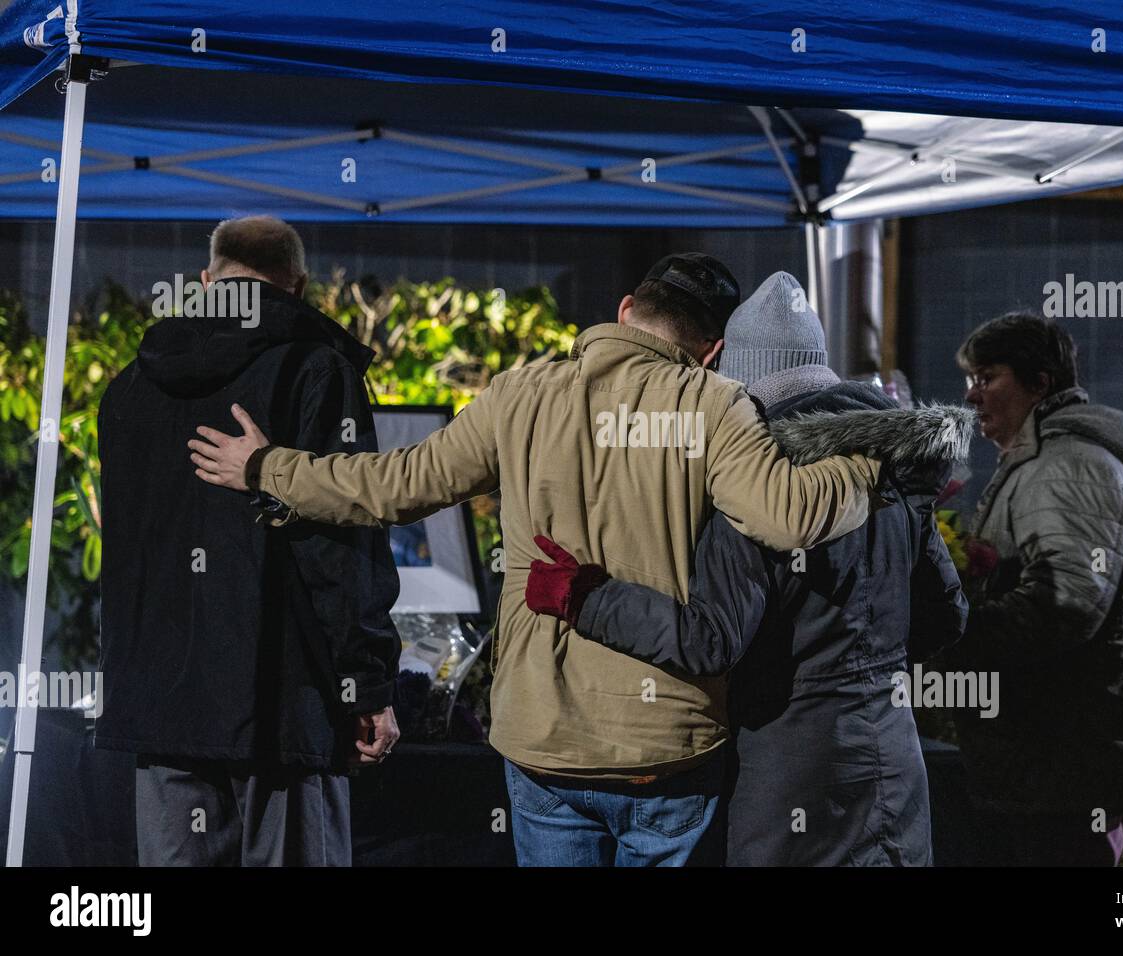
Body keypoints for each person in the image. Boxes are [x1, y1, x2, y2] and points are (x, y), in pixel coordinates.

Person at [188, 253, 904, 867]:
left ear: (626, 310)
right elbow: (787, 517)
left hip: (542, 742)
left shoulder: (521, 394)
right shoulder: (715, 406)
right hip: (664, 753)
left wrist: (268, 469)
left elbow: (393, 487)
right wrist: (876, 464)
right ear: (714, 349)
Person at [525, 272, 971, 865]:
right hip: (892, 759)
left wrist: (586, 598)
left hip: (788, 768)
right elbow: (945, 618)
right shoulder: (891, 466)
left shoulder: (757, 479)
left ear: (741, 376)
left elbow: (710, 639)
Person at [97, 216, 401, 866]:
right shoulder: (316, 372)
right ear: (297, 284)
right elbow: (342, 545)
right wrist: (365, 686)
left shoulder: (127, 388)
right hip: (284, 708)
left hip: (161, 706)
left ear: (208, 281)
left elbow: (121, 561)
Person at [947, 311, 1123, 866]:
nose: (972, 397)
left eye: (987, 378)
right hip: (1060, 746)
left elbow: (1066, 605)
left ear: (1039, 383)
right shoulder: (1043, 459)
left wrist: (953, 633)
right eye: (969, 381)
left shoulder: (1068, 466)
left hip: (1068, 746)